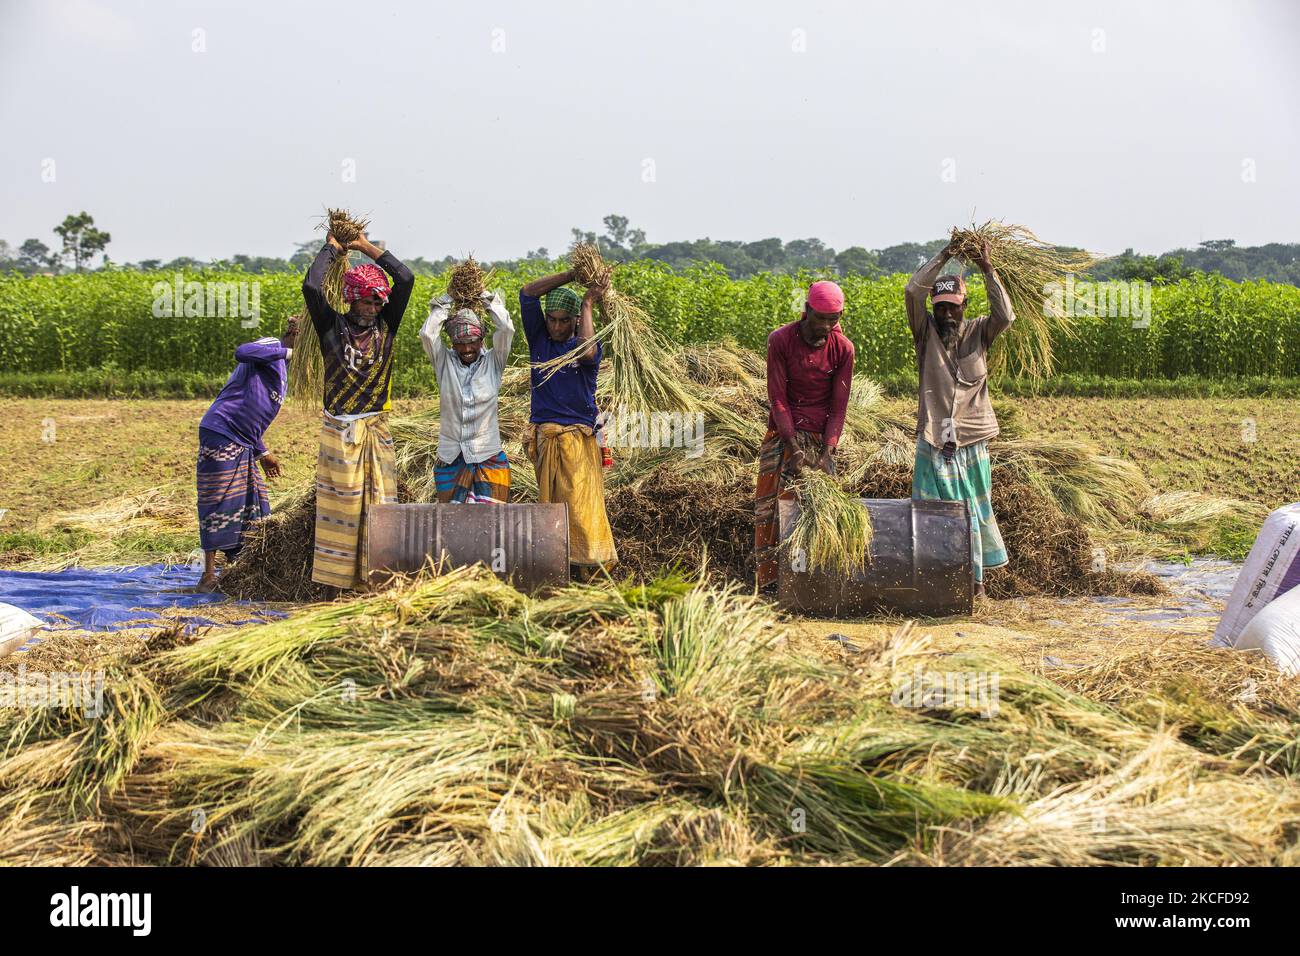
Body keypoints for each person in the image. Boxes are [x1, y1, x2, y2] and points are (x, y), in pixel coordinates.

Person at [302, 229, 414, 594]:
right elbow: (312, 289)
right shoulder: (331, 326)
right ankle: (339, 586)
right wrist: (332, 249)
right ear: (352, 300)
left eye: (378, 303)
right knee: (342, 513)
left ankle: (376, 582)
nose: (373, 309)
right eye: (367, 302)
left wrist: (365, 247)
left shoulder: (387, 326)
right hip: (339, 433)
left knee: (380, 507)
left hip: (375, 430)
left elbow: (406, 278)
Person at [904, 236, 1014, 597]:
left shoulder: (981, 331)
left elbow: (1006, 315)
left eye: (953, 307)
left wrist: (986, 267)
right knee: (930, 512)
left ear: (965, 304)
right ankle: (936, 582)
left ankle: (976, 584)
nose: (947, 314)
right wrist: (946, 255)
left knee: (972, 512)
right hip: (935, 438)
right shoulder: (925, 333)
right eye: (941, 308)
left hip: (970, 440)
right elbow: (911, 290)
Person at [754, 281, 855, 590]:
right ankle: (771, 583)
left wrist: (826, 453)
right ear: (807, 311)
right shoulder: (781, 341)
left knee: (820, 512)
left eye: (833, 319)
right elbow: (778, 398)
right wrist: (793, 448)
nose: (826, 326)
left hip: (820, 438)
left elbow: (838, 407)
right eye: (820, 317)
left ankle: (814, 585)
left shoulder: (843, 349)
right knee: (772, 509)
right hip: (784, 434)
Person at [518, 268, 617, 578]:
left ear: (576, 321)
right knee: (551, 507)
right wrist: (573, 274)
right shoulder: (540, 342)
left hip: (578, 439)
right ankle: (557, 568)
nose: (557, 326)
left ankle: (591, 567)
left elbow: (588, 352)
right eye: (552, 319)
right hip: (547, 440)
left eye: (565, 320)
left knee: (580, 507)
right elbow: (528, 292)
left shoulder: (585, 347)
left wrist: (588, 302)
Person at [195, 317, 297, 592]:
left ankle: (238, 568)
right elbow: (242, 351)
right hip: (221, 431)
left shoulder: (285, 370)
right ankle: (208, 576)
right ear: (295, 333)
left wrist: (263, 452)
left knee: (254, 503)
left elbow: (253, 414)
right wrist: (287, 350)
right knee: (219, 502)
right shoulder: (272, 346)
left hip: (245, 442)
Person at [418, 292, 515, 503]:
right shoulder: (444, 363)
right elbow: (427, 334)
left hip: (487, 456)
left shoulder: (494, 362)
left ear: (482, 339)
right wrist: (447, 301)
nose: (467, 348)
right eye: (460, 343)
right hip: (451, 457)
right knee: (451, 524)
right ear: (452, 343)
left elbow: (506, 329)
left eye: (472, 341)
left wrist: (485, 299)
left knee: (491, 524)